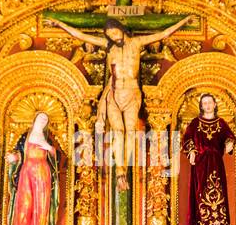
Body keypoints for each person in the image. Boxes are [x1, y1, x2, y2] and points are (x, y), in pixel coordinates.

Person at [48, 14, 192, 189]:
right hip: (114, 94)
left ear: (121, 30)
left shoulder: (137, 43)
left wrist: (183, 22)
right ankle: (120, 172)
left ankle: (125, 168)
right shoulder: (109, 47)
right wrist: (59, 23)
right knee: (118, 131)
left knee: (130, 132)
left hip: (132, 93)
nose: (114, 37)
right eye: (110, 35)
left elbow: (163, 34)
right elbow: (82, 36)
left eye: (115, 32)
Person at [181, 93, 236, 225]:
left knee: (218, 192)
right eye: (204, 103)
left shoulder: (221, 123)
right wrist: (192, 152)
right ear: (201, 106)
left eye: (209, 102)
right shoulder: (195, 123)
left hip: (216, 162)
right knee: (199, 192)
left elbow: (229, 136)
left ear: (215, 104)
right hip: (200, 163)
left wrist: (229, 143)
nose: (207, 105)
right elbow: (187, 138)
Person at [6, 111, 59, 225]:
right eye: (41, 117)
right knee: (25, 201)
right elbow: (20, 153)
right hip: (27, 170)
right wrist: (14, 157)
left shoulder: (47, 139)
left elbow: (57, 158)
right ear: (35, 118)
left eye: (45, 119)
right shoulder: (25, 137)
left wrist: (50, 148)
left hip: (42, 171)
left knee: (40, 201)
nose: (43, 120)